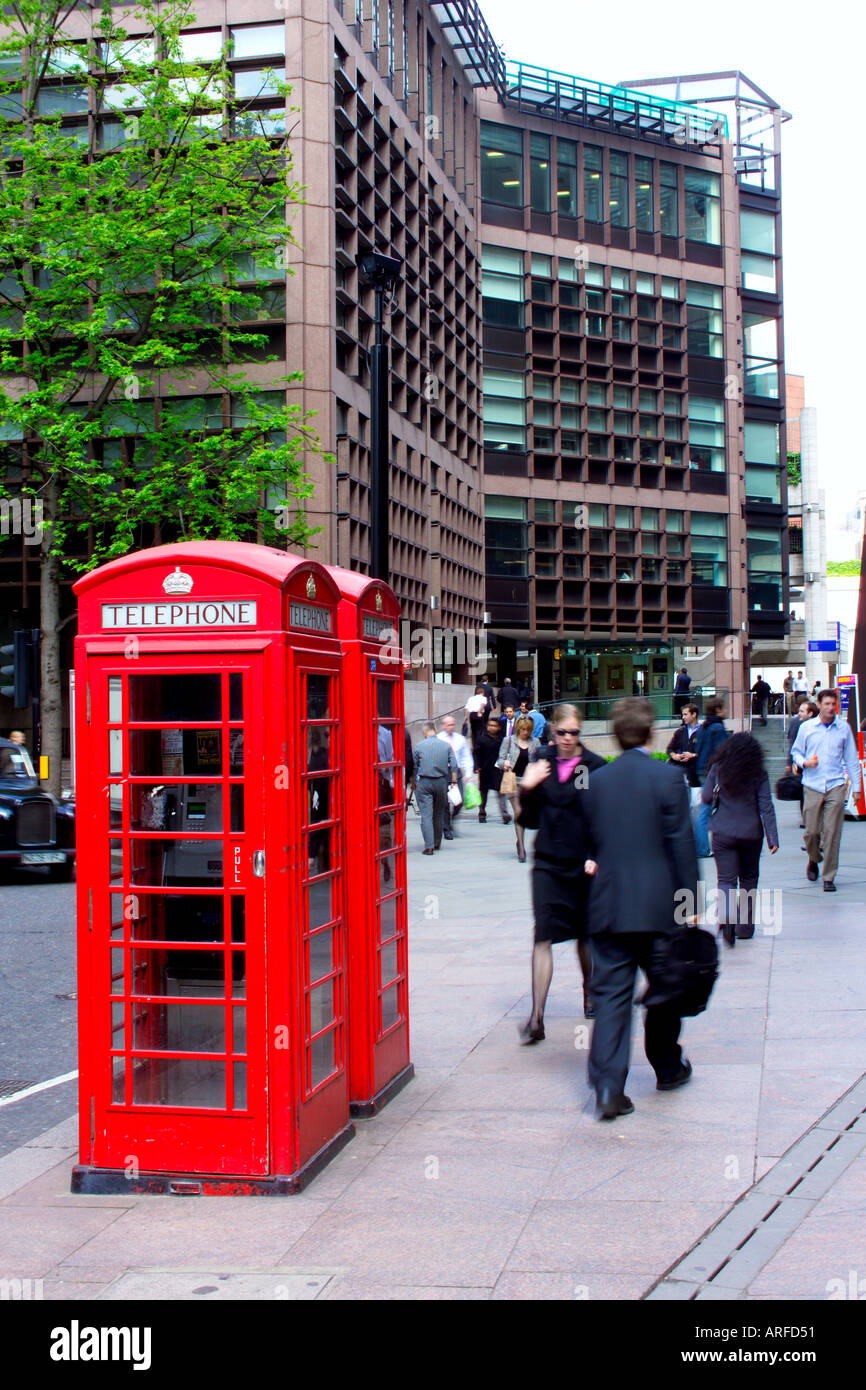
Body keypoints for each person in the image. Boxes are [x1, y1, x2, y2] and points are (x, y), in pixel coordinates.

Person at [582, 697, 698, 1120]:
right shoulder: (668, 779)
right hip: (658, 908)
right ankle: (667, 1068)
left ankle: (609, 1088)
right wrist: (689, 907)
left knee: (612, 998)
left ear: (615, 734)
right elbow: (682, 846)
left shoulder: (596, 781)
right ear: (651, 733)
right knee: (664, 991)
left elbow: (590, 844)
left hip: (609, 906)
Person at [516, 704, 606, 1036]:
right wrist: (527, 787)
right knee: (543, 936)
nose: (568, 738)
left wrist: (597, 855)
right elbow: (530, 820)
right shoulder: (542, 761)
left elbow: (602, 820)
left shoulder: (594, 766)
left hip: (581, 864)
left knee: (584, 935)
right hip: (548, 863)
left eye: (574, 732)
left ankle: (589, 991)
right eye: (562, 732)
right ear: (553, 730)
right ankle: (537, 1016)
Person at [701, 733, 779, 948]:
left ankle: (726, 917)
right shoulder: (758, 773)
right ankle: (745, 928)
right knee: (749, 878)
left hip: (723, 831)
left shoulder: (718, 769)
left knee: (726, 879)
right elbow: (766, 805)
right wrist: (772, 837)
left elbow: (706, 797)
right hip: (751, 833)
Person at [791, 690, 862, 892]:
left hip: (836, 785)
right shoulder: (807, 728)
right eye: (827, 704)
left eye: (834, 704)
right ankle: (814, 858)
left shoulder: (843, 728)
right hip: (812, 784)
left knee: (832, 833)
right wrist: (804, 762)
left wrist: (856, 788)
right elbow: (796, 751)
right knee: (812, 832)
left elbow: (851, 759)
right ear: (819, 705)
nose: (831, 708)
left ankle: (829, 876)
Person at [496, 714, 541, 860]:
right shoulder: (509, 741)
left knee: (525, 813)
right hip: (512, 780)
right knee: (518, 812)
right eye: (523, 729)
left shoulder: (535, 742)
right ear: (518, 729)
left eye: (528, 730)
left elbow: (540, 760)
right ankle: (521, 847)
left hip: (529, 782)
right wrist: (505, 764)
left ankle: (519, 840)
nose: (525, 733)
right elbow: (500, 759)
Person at [413, 723, 457, 854]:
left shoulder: (419, 746)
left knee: (426, 815)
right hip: (441, 782)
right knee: (438, 814)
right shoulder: (446, 745)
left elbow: (414, 766)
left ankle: (429, 846)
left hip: (425, 781)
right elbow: (454, 764)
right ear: (436, 730)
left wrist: (413, 781)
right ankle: (437, 842)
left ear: (424, 732)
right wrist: (454, 780)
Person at [693, 698, 729, 857]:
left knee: (705, 808)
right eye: (723, 709)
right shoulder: (718, 728)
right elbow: (723, 753)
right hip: (713, 772)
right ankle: (705, 848)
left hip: (701, 771)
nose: (726, 711)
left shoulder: (703, 728)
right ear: (717, 710)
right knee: (710, 809)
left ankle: (704, 847)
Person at [437, 714, 474, 839]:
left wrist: (468, 774)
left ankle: (451, 820)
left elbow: (466, 757)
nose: (451, 727)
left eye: (453, 724)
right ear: (443, 726)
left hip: (456, 772)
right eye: (448, 725)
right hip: (443, 772)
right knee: (445, 803)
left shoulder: (460, 739)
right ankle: (446, 829)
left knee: (459, 801)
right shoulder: (438, 739)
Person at [785, 700, 818, 829]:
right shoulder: (796, 723)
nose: (798, 714)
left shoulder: (820, 725)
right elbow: (793, 744)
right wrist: (791, 762)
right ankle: (807, 820)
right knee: (804, 793)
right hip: (802, 764)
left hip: (817, 765)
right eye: (799, 711)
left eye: (801, 711)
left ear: (810, 714)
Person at [475, 714, 506, 824]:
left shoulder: (502, 740)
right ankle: (482, 813)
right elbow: (476, 754)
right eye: (490, 725)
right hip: (485, 769)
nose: (492, 727)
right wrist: (477, 766)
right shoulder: (482, 739)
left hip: (498, 769)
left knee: (501, 792)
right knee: (483, 792)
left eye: (494, 726)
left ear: (499, 727)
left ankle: (504, 813)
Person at [666, 704, 700, 786]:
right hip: (680, 774)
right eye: (682, 715)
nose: (683, 717)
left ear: (694, 714)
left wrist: (693, 755)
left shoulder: (703, 732)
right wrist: (674, 755)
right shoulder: (680, 732)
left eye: (685, 714)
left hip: (696, 775)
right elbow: (670, 749)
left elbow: (708, 752)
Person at [464, 685, 489, 753]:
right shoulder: (483, 698)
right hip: (479, 714)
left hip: (472, 715)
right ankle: (478, 747)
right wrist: (479, 711)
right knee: (479, 730)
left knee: (473, 731)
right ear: (482, 692)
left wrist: (466, 716)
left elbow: (467, 708)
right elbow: (482, 704)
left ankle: (474, 746)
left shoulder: (471, 698)